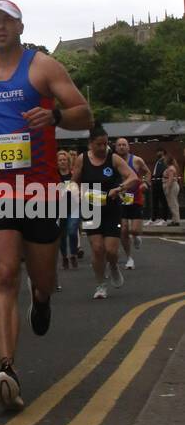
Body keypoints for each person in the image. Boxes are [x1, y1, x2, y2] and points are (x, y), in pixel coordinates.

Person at [0, 0, 91, 410]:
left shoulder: (43, 66)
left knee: (41, 279)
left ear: (20, 26)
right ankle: (7, 368)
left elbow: (85, 113)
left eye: (6, 21)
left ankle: (43, 299)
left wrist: (56, 119)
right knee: (4, 275)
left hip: (40, 192)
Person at [72, 126, 137, 298]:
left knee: (111, 251)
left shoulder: (113, 158)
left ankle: (114, 266)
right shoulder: (82, 159)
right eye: (99, 144)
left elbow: (133, 177)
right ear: (90, 144)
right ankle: (100, 285)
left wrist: (119, 188)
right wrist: (76, 192)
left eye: (106, 144)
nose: (103, 148)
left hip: (111, 209)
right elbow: (73, 182)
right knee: (97, 248)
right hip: (90, 208)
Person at [114, 137, 150, 266]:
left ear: (128, 147)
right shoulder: (113, 161)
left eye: (124, 145)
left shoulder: (136, 160)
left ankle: (135, 236)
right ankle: (129, 258)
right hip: (121, 199)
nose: (122, 147)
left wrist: (145, 182)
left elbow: (147, 172)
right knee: (123, 230)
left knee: (134, 230)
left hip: (136, 198)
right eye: (119, 145)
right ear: (116, 147)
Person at [56, 149, 80, 272]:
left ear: (68, 161)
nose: (62, 162)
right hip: (59, 209)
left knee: (72, 231)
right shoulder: (54, 176)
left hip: (74, 207)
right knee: (62, 235)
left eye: (64, 159)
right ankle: (64, 256)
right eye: (60, 160)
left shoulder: (73, 174)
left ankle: (74, 254)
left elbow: (81, 187)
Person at [151, 150, 168, 224]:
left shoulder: (165, 161)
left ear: (163, 153)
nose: (157, 153)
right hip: (155, 182)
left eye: (159, 152)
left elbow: (163, 171)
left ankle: (164, 218)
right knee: (155, 201)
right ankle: (153, 218)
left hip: (161, 182)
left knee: (163, 201)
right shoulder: (157, 161)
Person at [163, 154, 181, 226]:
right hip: (172, 186)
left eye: (165, 160)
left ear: (167, 161)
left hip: (172, 186)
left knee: (173, 204)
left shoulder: (170, 168)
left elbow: (170, 179)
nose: (164, 161)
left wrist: (167, 188)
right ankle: (174, 219)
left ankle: (176, 220)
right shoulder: (171, 167)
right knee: (172, 203)